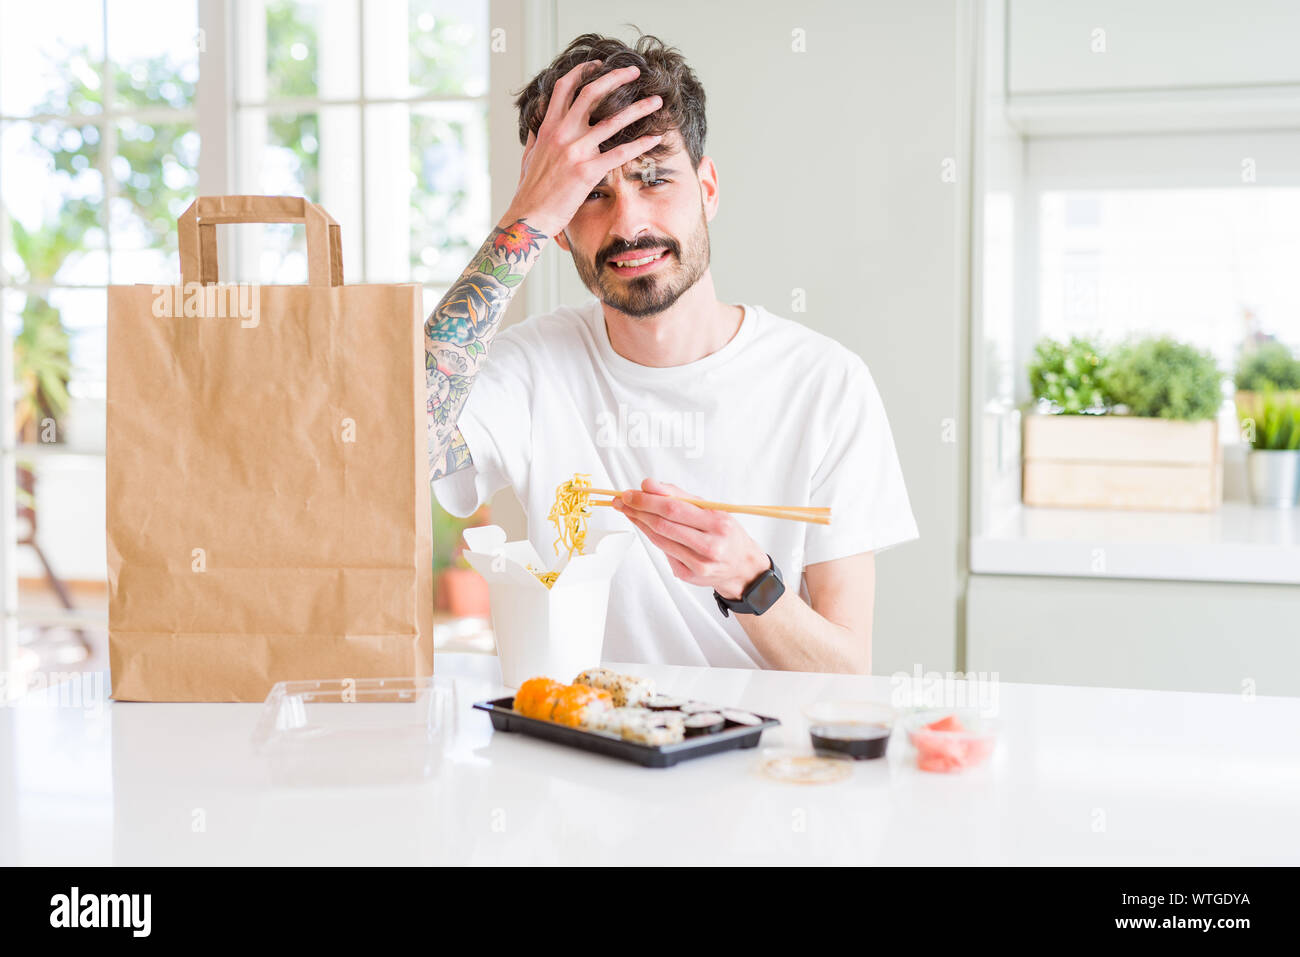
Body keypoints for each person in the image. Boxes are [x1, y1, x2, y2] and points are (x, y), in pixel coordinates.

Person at [428, 32, 917, 672]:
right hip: (580, 750)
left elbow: (847, 673)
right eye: (590, 194)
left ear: (708, 188)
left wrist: (750, 580)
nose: (629, 223)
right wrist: (523, 219)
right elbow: (393, 442)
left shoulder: (827, 384)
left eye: (655, 177)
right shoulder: (532, 368)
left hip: (759, 762)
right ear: (558, 227)